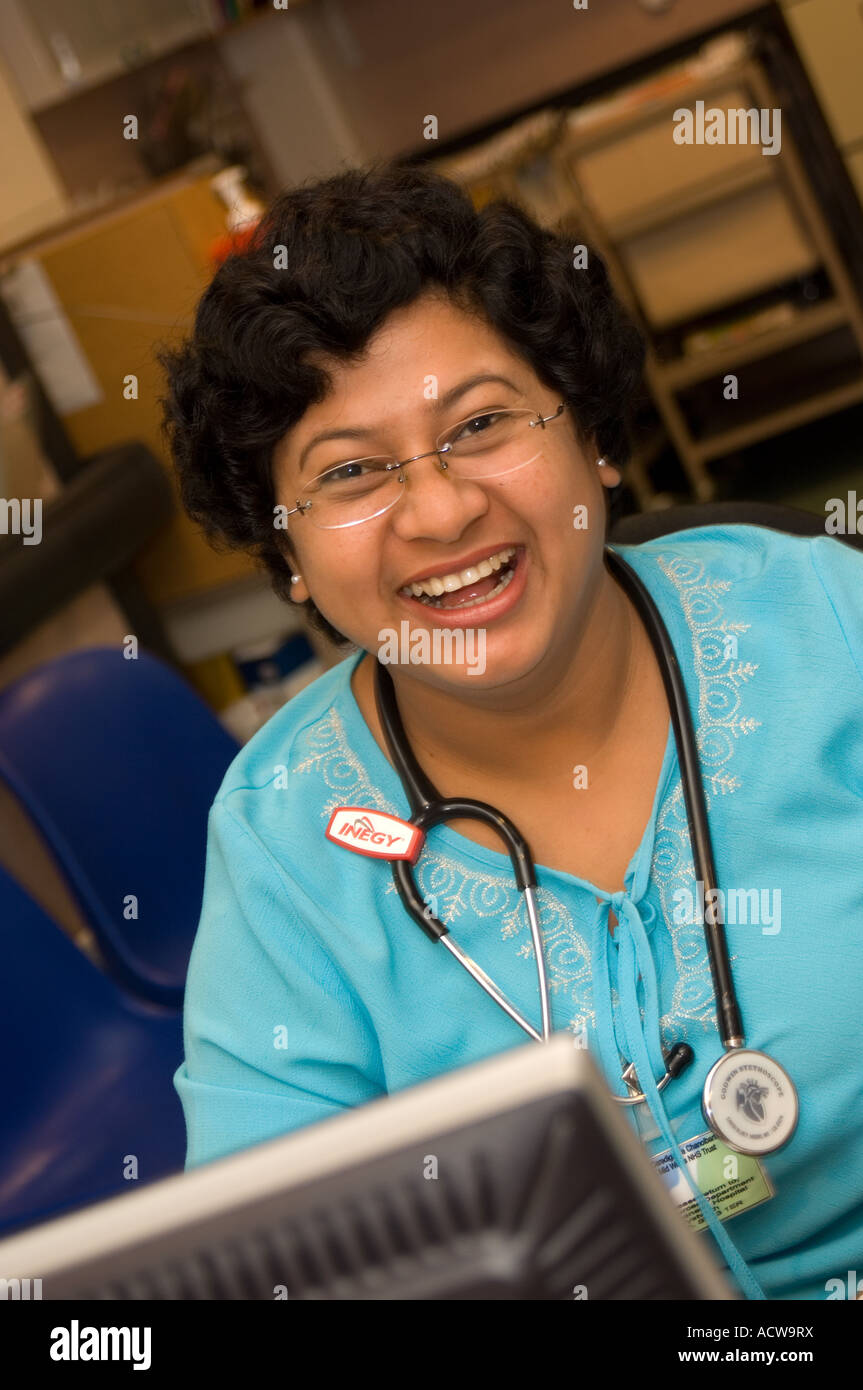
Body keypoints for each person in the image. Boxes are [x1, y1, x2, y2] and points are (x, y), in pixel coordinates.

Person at [160, 163, 863, 1300]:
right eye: (349, 474)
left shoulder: (828, 625)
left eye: (480, 423)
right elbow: (265, 1256)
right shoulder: (287, 840)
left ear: (592, 436)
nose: (440, 512)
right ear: (285, 554)